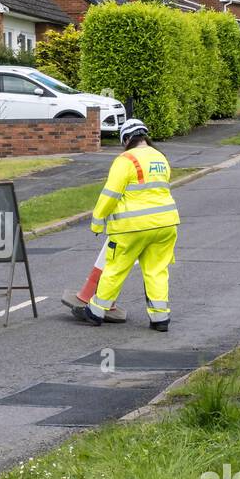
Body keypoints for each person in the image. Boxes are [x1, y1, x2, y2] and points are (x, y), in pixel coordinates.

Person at [71, 118, 179, 332]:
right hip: (166, 224)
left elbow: (111, 193)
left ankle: (96, 312)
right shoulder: (161, 158)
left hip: (132, 226)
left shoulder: (126, 159)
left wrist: (97, 221)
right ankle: (160, 319)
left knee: (116, 268)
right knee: (157, 271)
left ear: (127, 139)